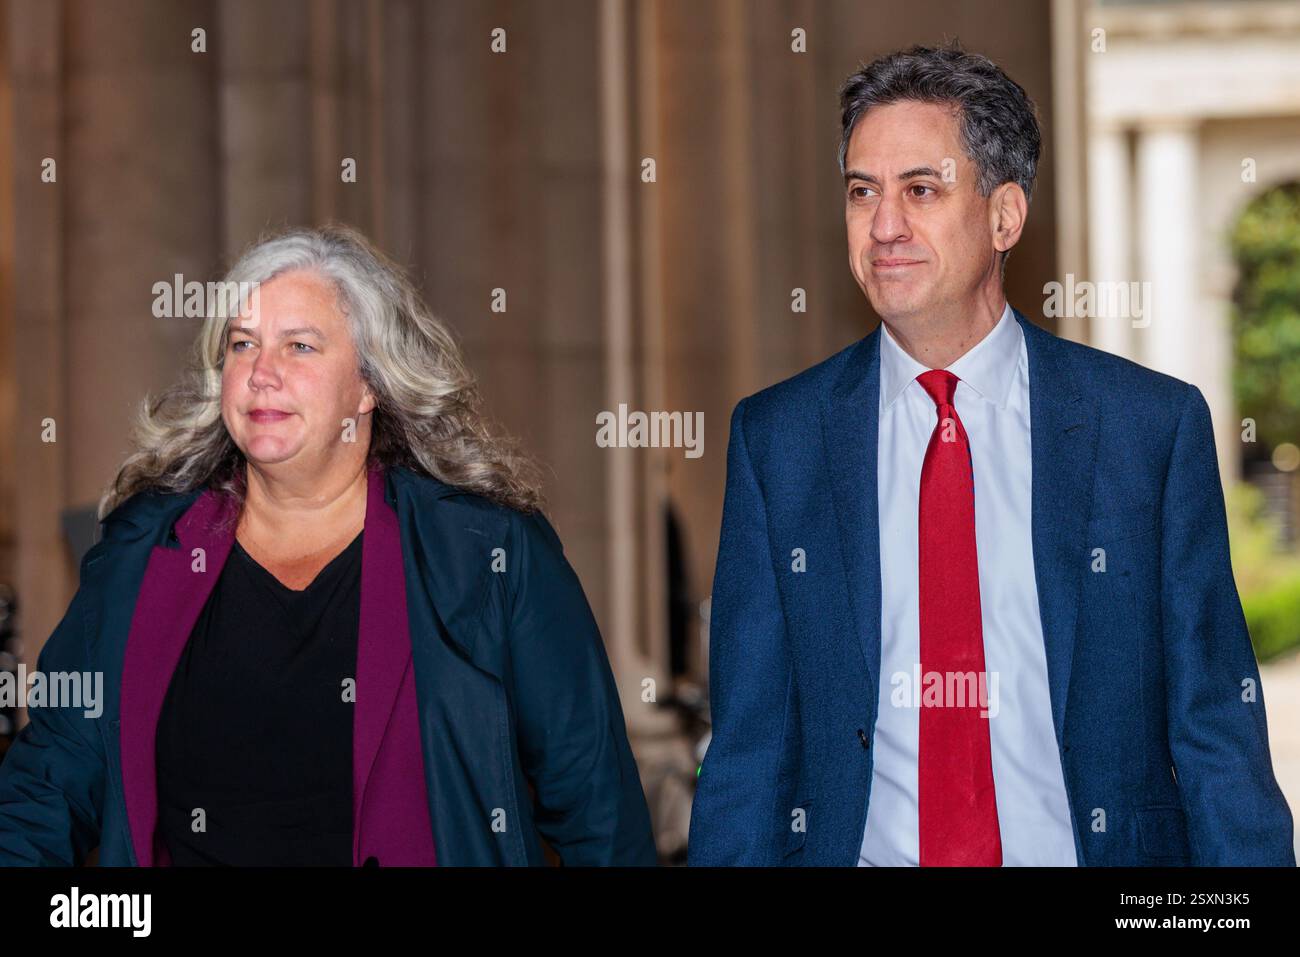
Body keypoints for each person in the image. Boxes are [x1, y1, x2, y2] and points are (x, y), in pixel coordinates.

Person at [688, 42, 1295, 866]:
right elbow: (749, 756)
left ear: (1005, 215)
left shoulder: (1146, 430)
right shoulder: (779, 441)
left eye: (921, 190)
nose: (884, 224)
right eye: (862, 192)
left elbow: (1216, 732)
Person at [0, 224, 657, 866]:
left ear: (369, 383)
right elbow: (48, 785)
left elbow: (596, 806)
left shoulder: (488, 553)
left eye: (300, 347)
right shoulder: (142, 552)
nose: (261, 373)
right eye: (241, 344)